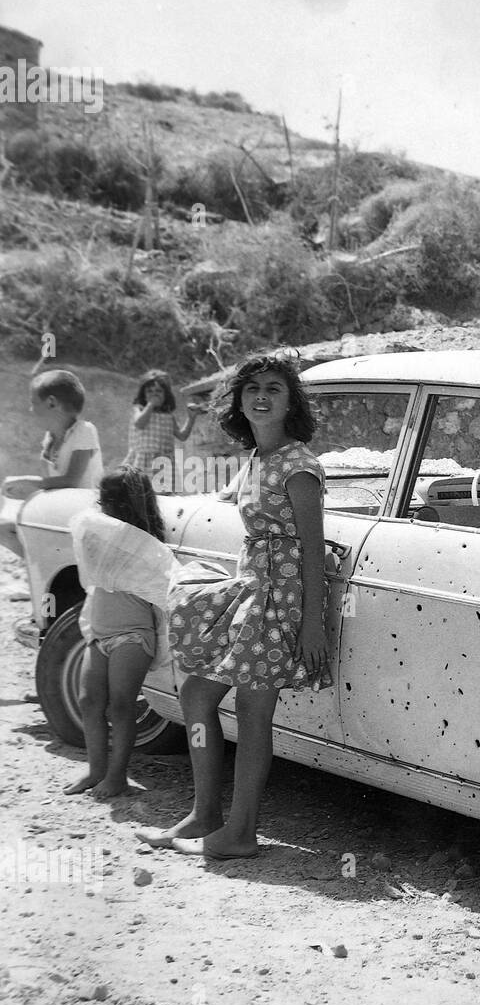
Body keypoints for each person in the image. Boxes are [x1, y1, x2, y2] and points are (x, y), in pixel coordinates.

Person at [136, 353, 329, 859]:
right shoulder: (257, 459)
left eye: (273, 389)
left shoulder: (300, 464)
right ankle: (205, 814)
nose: (261, 397)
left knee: (252, 712)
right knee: (197, 694)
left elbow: (313, 549)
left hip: (282, 600)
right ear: (239, 401)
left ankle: (240, 833)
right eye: (252, 390)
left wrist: (312, 626)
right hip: (252, 591)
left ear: (291, 402)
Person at [66, 468, 174, 798]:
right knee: (88, 700)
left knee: (122, 705)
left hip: (132, 634)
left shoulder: (147, 546)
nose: (103, 506)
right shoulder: (99, 534)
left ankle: (117, 777)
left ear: (126, 504)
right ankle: (96, 770)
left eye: (110, 500)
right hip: (99, 632)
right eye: (102, 499)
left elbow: (162, 592)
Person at [0, 369, 103, 555]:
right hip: (60, 514)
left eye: (33, 403)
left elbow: (72, 481)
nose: (31, 410)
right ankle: (41, 565)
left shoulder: (84, 431)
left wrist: (30, 483)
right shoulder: (49, 440)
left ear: (51, 403)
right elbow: (51, 490)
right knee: (3, 528)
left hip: (85, 517)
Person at [124, 369, 203, 492]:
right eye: (150, 391)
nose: (154, 394)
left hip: (164, 463)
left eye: (158, 391)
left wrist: (191, 418)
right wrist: (150, 405)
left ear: (166, 395)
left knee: (163, 495)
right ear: (143, 395)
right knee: (141, 492)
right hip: (143, 461)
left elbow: (182, 436)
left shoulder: (168, 416)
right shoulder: (139, 409)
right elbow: (139, 423)